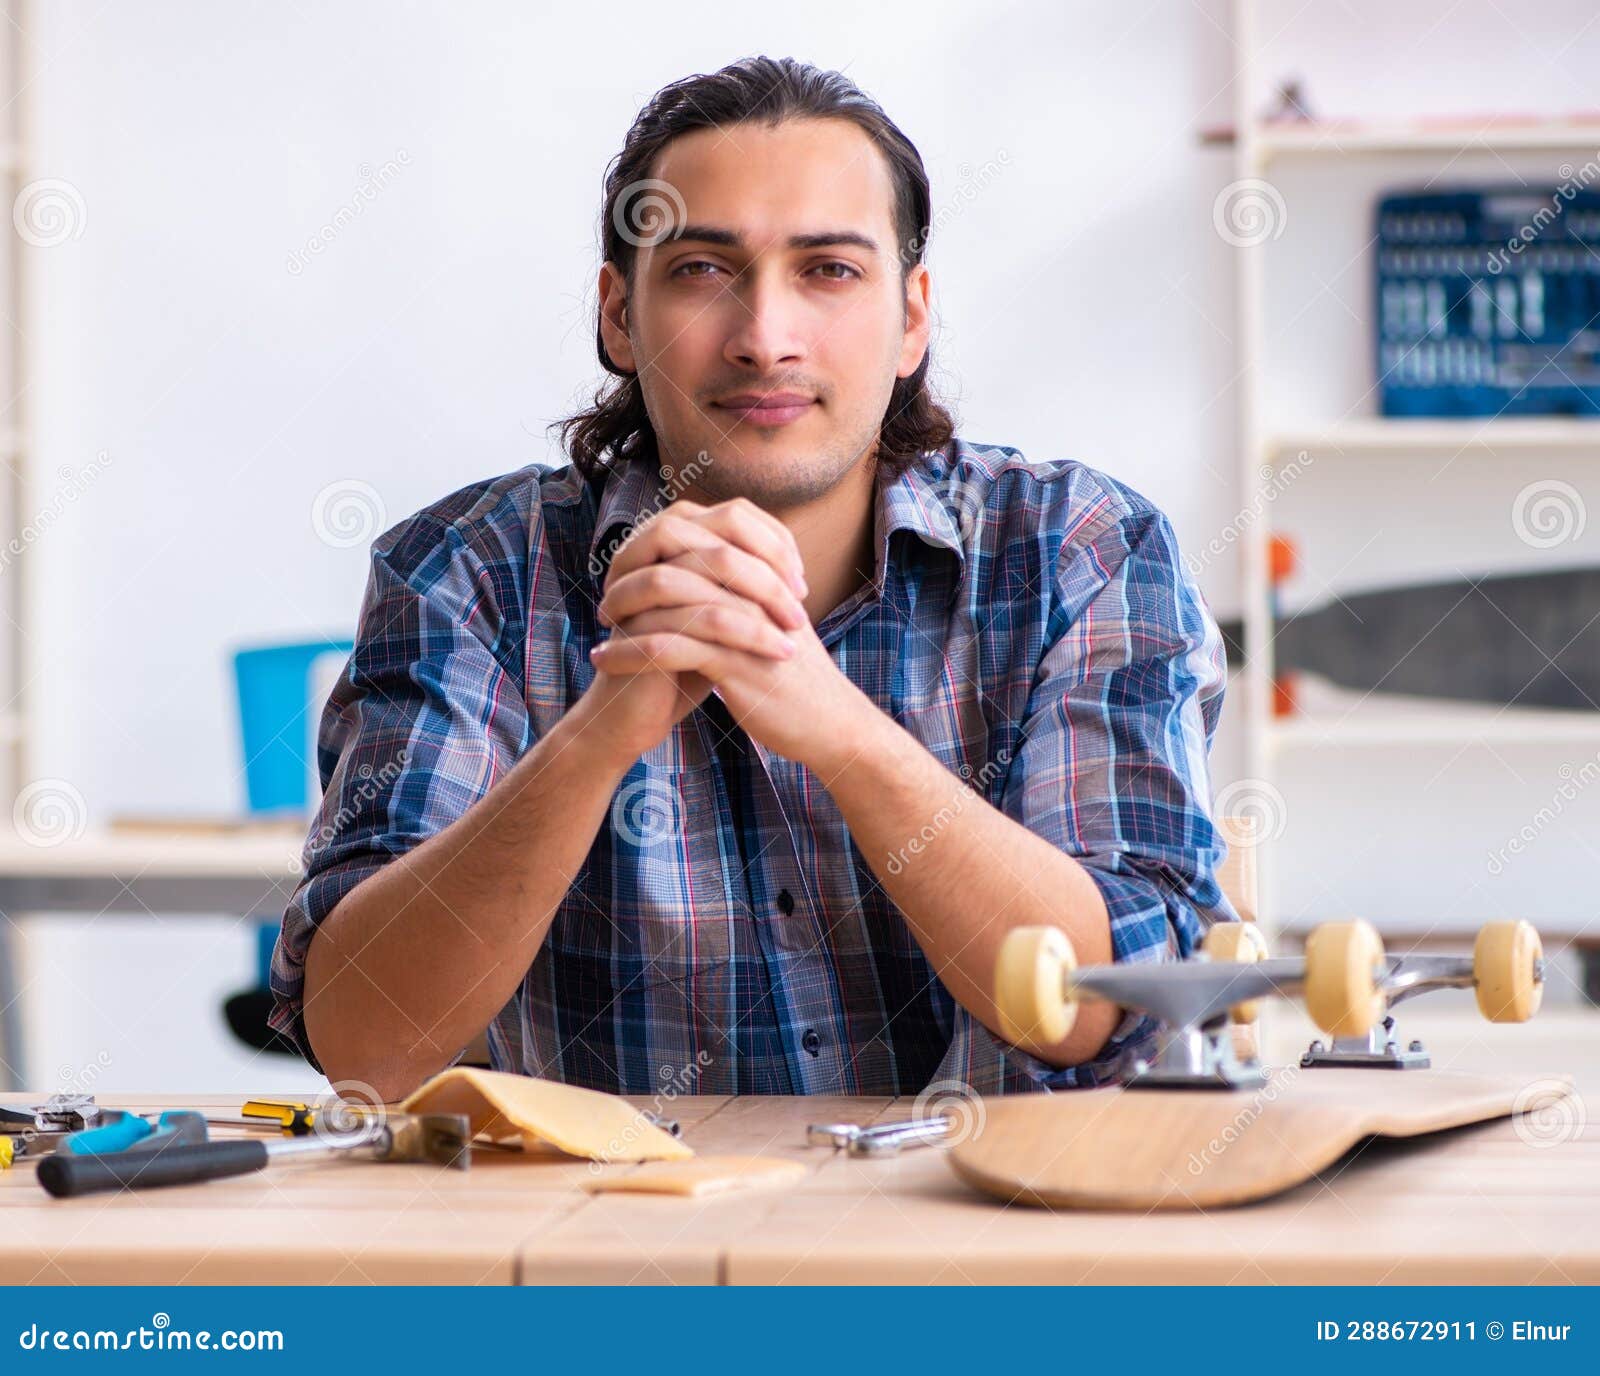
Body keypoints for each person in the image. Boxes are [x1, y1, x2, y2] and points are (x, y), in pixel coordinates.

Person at [269, 55, 1237, 1103]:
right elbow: (366, 1041)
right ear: (617, 317)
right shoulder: (468, 572)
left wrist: (835, 724)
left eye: (828, 270)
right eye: (700, 270)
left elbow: (1126, 1000)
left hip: (996, 1249)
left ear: (913, 317)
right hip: (607, 1255)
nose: (764, 338)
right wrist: (599, 731)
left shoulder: (1081, 549)